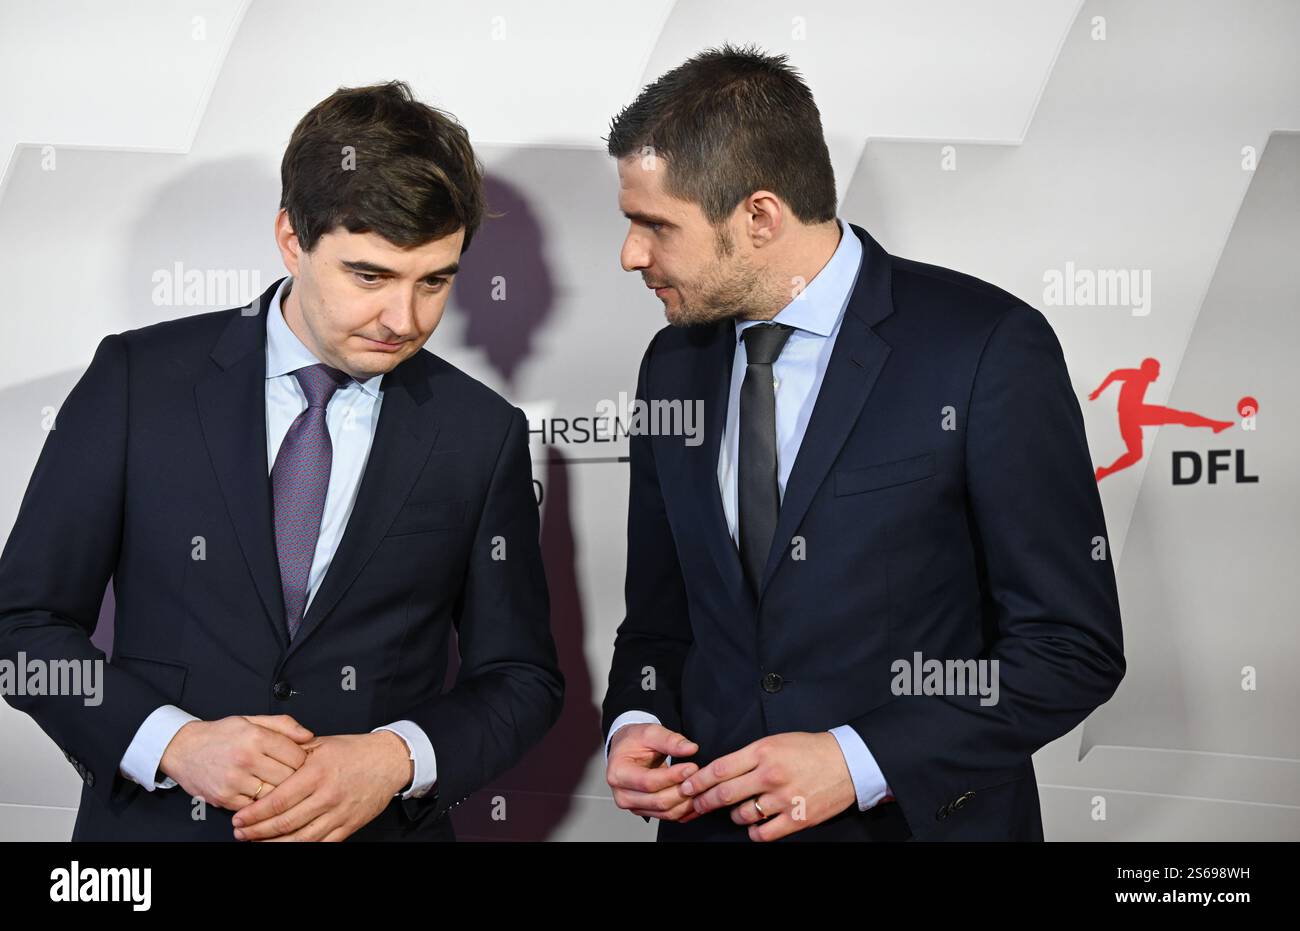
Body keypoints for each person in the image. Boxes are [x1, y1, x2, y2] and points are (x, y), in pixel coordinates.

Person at [0, 80, 562, 841]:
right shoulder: (139, 381)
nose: (404, 319)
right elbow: (24, 625)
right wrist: (172, 742)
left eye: (434, 281)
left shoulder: (480, 431)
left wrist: (398, 758)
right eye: (369, 275)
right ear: (293, 238)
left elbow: (521, 679)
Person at [600, 45, 1125, 841]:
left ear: (760, 216)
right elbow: (660, 621)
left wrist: (859, 759)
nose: (630, 255)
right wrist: (636, 717)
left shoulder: (984, 347)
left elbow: (1070, 647)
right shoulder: (672, 363)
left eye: (656, 225)